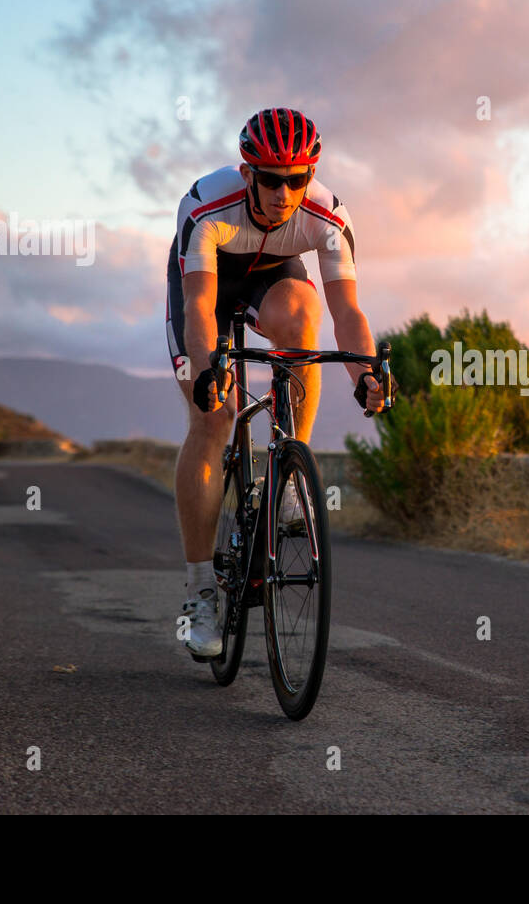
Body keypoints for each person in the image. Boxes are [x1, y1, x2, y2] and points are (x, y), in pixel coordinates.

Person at [164, 107, 389, 657]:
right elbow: (197, 307)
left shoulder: (328, 216)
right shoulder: (206, 205)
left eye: (297, 179)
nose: (284, 192)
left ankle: (291, 467)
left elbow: (348, 311)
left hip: (274, 277)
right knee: (213, 418)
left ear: (310, 177)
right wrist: (208, 369)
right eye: (270, 179)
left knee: (304, 318)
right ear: (248, 175)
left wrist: (366, 373)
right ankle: (200, 594)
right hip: (207, 280)